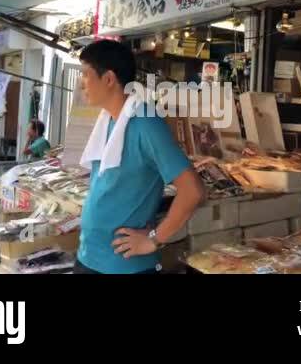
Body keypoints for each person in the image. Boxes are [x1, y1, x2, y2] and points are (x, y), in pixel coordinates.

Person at [75, 40, 205, 274]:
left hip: (124, 267)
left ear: (108, 79)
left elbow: (192, 190)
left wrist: (154, 239)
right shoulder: (108, 119)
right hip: (89, 258)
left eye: (85, 74)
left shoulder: (145, 122)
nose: (80, 82)